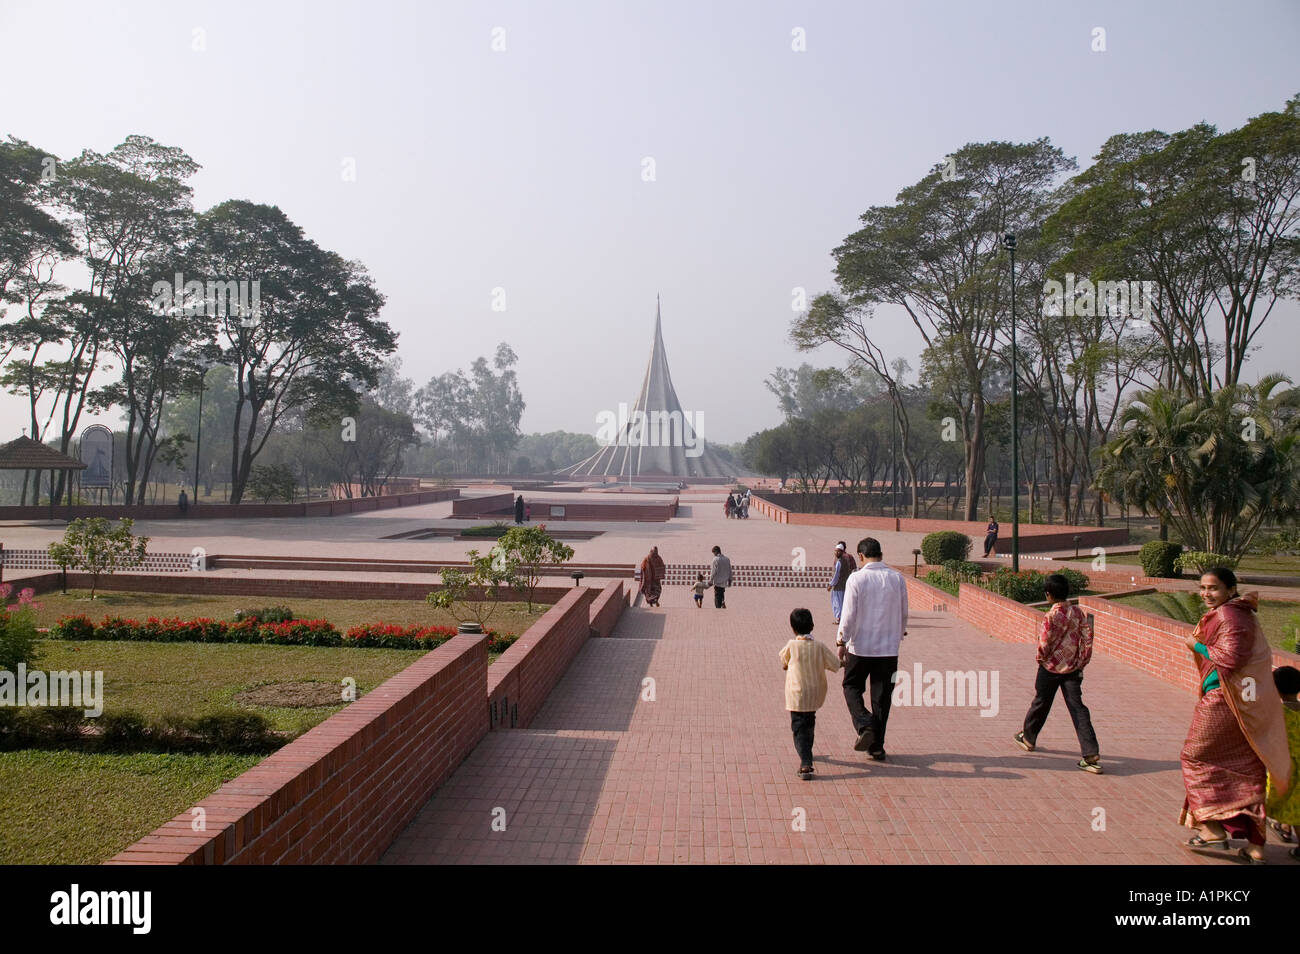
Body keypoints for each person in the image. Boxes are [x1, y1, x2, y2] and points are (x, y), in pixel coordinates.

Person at [1180, 567, 1292, 863]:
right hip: (1242, 701)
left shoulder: (1229, 615)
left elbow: (1230, 660)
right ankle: (1255, 849)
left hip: (1225, 699)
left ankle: (1213, 831)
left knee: (1195, 757)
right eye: (1202, 587)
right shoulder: (1238, 613)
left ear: (1230, 589)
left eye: (1213, 588)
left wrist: (1197, 645)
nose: (1206, 593)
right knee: (1248, 768)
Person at [1013, 573, 1102, 773]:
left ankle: (1028, 737)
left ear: (1048, 595)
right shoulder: (1078, 613)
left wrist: (1041, 658)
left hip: (1050, 668)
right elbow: (1088, 638)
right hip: (1072, 668)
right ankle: (1090, 752)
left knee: (1041, 702)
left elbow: (1044, 642)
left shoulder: (1051, 616)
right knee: (1078, 708)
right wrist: (1082, 662)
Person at [836, 537, 908, 760]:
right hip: (888, 649)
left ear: (860, 555)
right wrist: (899, 634)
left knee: (851, 686)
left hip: (861, 647)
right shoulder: (897, 578)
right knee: (882, 698)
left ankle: (864, 723)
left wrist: (841, 640)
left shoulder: (857, 579)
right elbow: (904, 612)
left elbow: (848, 615)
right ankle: (877, 746)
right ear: (881, 554)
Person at [780, 607, 841, 780]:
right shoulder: (820, 647)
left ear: (793, 628)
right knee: (809, 723)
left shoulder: (791, 645)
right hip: (814, 694)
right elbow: (835, 664)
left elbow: (783, 661)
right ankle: (808, 752)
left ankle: (805, 762)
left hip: (796, 695)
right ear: (812, 625)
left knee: (798, 727)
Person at [1265, 665, 1300, 853]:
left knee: (1282, 800)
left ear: (1275, 689)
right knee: (1296, 805)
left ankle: (1284, 828)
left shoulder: (1278, 713)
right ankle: (1285, 828)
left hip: (1283, 769)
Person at [826, 541, 854, 624]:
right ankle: (842, 618)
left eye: (838, 551)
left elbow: (836, 575)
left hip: (838, 586)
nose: (836, 552)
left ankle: (839, 618)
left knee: (837, 603)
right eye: (835, 550)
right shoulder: (847, 559)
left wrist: (831, 584)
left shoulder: (839, 561)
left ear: (842, 551)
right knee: (843, 602)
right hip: (845, 585)